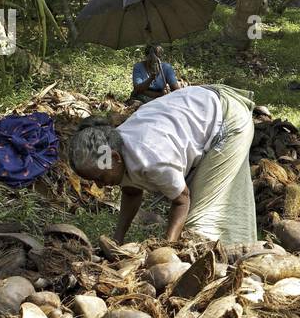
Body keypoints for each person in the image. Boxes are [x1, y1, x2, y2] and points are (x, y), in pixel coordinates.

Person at [69, 83, 257, 246]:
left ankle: (238, 261)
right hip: (202, 106)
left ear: (115, 158)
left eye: (100, 178)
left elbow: (181, 200)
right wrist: (117, 240)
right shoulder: (113, 143)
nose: (100, 185)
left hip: (227, 120)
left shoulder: (152, 158)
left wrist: (168, 246)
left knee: (202, 224)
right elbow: (131, 191)